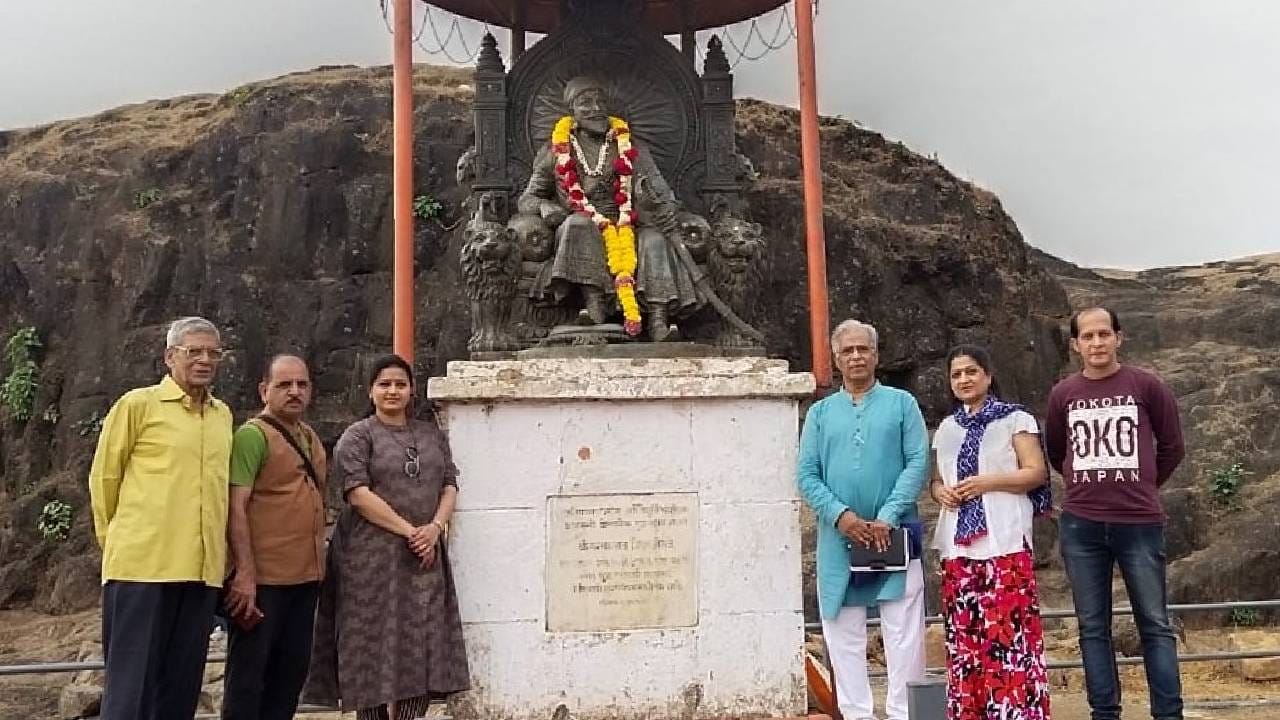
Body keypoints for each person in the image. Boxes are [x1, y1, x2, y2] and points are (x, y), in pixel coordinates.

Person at [305, 354, 469, 720]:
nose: (392, 391)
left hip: (423, 560)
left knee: (421, 647)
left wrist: (434, 528)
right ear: (371, 390)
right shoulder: (358, 436)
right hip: (370, 562)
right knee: (371, 649)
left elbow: (450, 483)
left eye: (400, 384)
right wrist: (410, 531)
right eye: (384, 384)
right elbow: (357, 492)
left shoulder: (431, 435)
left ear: (411, 390)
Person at [88, 316, 233, 720]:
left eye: (213, 353)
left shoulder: (222, 416)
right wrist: (117, 544)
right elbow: (105, 479)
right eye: (194, 352)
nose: (204, 360)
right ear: (171, 357)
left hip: (201, 573)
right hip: (142, 569)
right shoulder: (138, 405)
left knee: (179, 691)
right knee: (129, 692)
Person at [1045, 307, 1186, 720]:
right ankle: (1104, 713)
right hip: (1082, 525)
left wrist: (1142, 486)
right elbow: (1057, 451)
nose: (1096, 343)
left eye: (1104, 334)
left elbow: (1173, 446)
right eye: (1087, 337)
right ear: (1075, 345)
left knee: (1155, 625)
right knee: (1092, 628)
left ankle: (1168, 713)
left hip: (1139, 523)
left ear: (1118, 338)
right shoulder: (1063, 394)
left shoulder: (1147, 385)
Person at [797, 319, 930, 720]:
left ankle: (904, 712)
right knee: (841, 629)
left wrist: (887, 516)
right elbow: (806, 474)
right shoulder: (820, 413)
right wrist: (842, 517)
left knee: (903, 628)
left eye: (863, 349)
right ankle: (857, 714)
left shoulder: (902, 403)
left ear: (876, 354)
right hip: (839, 537)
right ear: (836, 359)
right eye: (848, 351)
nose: (856, 356)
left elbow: (918, 461)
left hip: (894, 532)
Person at [517, 75, 701, 340]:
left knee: (653, 240)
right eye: (586, 103)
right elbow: (527, 200)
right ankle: (594, 308)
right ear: (573, 112)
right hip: (582, 222)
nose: (596, 108)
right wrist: (545, 206)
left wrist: (651, 201)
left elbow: (664, 194)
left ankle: (658, 322)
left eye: (600, 101)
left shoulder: (630, 147)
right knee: (580, 224)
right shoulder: (556, 150)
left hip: (629, 225)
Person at [929, 344, 1052, 719]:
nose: (964, 380)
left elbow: (1036, 472)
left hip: (1004, 541)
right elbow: (937, 480)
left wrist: (987, 482)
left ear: (988, 375)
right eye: (956, 375)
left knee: (1008, 636)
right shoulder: (948, 428)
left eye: (971, 372)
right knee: (966, 639)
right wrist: (940, 492)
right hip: (959, 548)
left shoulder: (1015, 419)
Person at [221, 355, 328, 720]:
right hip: (263, 583)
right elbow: (236, 508)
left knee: (288, 679)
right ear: (264, 390)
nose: (295, 392)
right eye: (284, 385)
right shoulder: (252, 436)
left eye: (302, 384)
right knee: (248, 682)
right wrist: (244, 576)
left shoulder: (310, 437)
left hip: (305, 579)